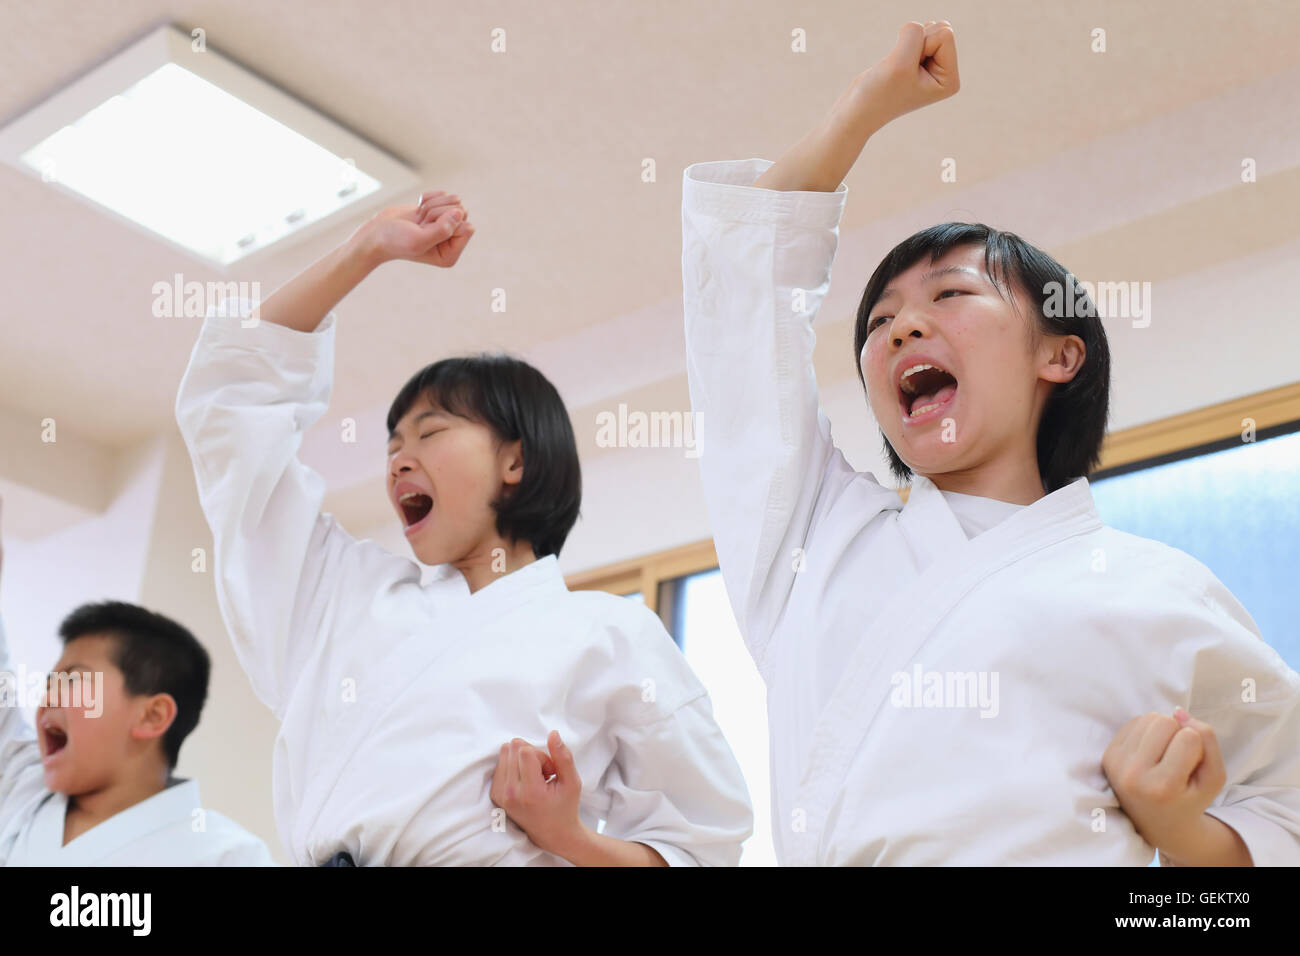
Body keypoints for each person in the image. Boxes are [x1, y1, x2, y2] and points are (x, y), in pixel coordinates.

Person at [681, 20, 1300, 865]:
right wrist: (864, 109)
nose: (901, 330)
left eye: (949, 294)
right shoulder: (812, 543)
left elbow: (1285, 812)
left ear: (1060, 352)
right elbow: (744, 309)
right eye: (880, 321)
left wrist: (1184, 832)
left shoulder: (1161, 591)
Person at [175, 192, 752, 866]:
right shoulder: (341, 596)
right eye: (391, 446)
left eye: (430, 432)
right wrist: (362, 252)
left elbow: (702, 850)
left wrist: (569, 836)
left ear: (516, 459)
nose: (399, 460)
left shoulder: (609, 635)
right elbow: (231, 406)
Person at [0, 502, 275, 865]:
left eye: (73, 681)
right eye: (50, 682)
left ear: (152, 715)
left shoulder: (226, 855)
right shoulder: (23, 789)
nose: (48, 696)